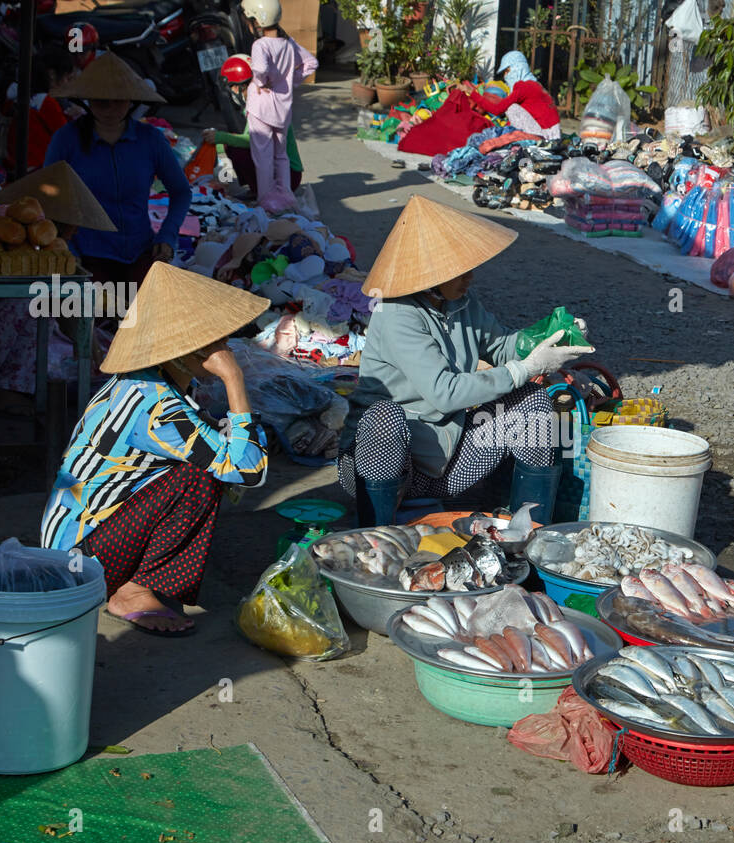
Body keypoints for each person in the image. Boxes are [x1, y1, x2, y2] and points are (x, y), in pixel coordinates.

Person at [40, 263, 270, 635]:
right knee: (200, 477)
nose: (225, 350)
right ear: (183, 351)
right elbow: (248, 469)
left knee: (207, 463)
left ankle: (136, 578)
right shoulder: (155, 405)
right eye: (216, 344)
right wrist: (234, 380)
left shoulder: (148, 380)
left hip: (81, 538)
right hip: (78, 556)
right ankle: (131, 592)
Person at [338, 194, 593, 527]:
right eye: (459, 271)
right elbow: (446, 393)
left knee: (533, 403)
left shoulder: (462, 303)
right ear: (430, 275)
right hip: (384, 464)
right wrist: (527, 368)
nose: (470, 276)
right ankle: (376, 539)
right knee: (384, 416)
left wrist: (552, 335)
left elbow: (502, 346)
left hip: (448, 461)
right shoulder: (396, 315)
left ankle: (529, 534)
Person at [0, 161, 118, 417]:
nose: (75, 231)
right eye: (72, 225)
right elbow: (63, 306)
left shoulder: (39, 245)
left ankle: (7, 387)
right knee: (39, 307)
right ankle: (2, 391)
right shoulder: (8, 235)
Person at [44, 52, 191, 286]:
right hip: (86, 257)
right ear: (88, 101)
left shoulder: (151, 139)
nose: (110, 108)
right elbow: (49, 198)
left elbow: (182, 192)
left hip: (141, 250)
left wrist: (167, 235)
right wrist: (66, 247)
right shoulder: (66, 139)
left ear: (131, 100)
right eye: (101, 101)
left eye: (119, 100)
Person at [240, 0, 316, 213]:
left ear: (257, 19)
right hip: (283, 111)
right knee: (281, 155)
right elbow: (312, 63)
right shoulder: (289, 43)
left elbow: (261, 68)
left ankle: (266, 201)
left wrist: (262, 82)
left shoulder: (260, 45)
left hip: (261, 109)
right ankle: (286, 197)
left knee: (263, 156)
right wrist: (290, 80)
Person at [202, 54, 302, 201]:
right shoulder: (263, 98)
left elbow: (252, 141)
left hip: (288, 176)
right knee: (231, 144)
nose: (233, 92)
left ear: (239, 86)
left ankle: (260, 191)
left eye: (233, 87)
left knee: (236, 149)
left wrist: (220, 137)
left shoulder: (263, 104)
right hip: (286, 172)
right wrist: (220, 142)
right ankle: (257, 188)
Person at [3, 46, 77, 174]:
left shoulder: (18, 97)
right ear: (52, 75)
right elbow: (68, 139)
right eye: (67, 78)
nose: (68, 84)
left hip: (14, 167)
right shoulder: (46, 103)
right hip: (38, 172)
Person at [460, 51, 561, 141]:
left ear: (517, 68)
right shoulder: (535, 84)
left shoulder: (524, 87)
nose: (505, 76)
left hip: (546, 136)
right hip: (553, 133)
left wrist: (472, 92)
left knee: (512, 108)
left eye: (507, 71)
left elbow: (497, 109)